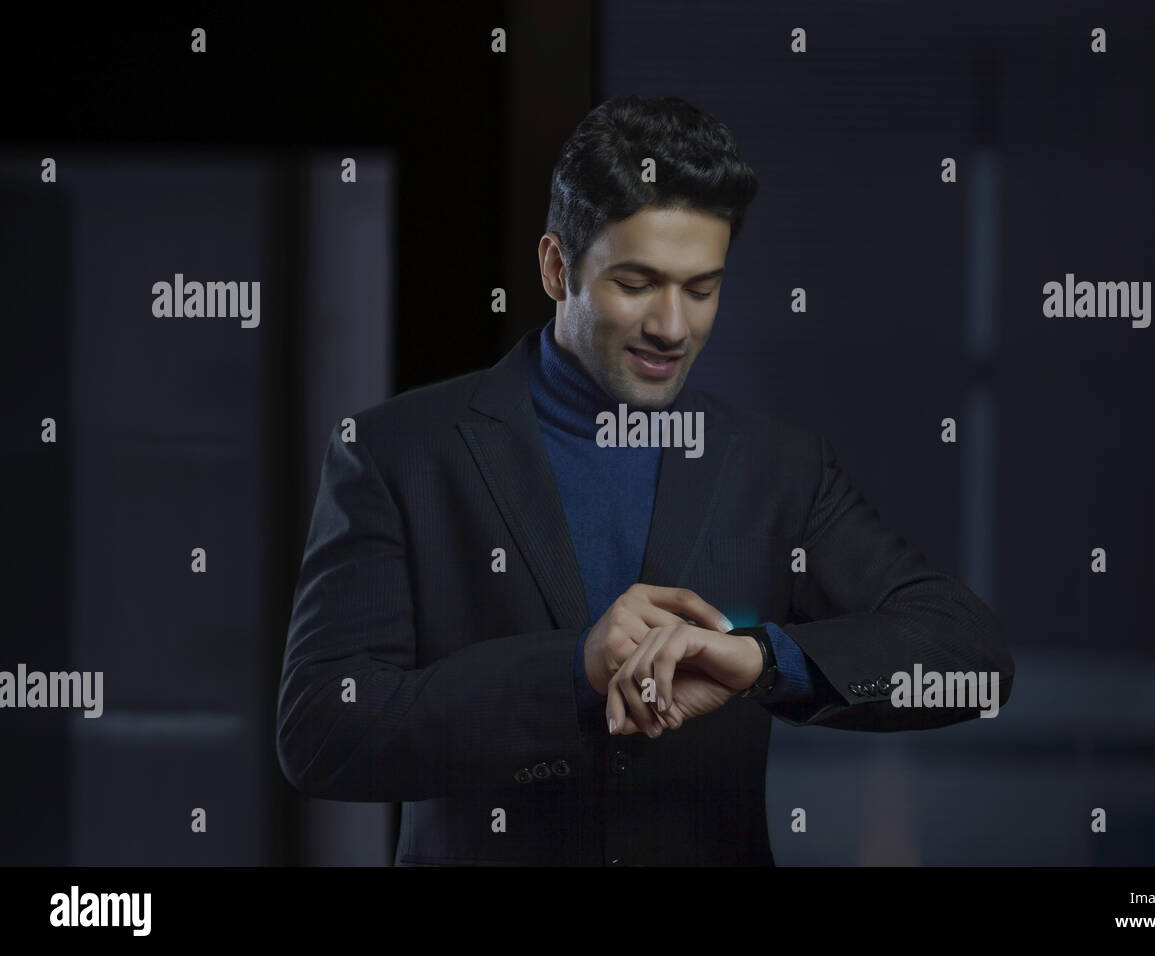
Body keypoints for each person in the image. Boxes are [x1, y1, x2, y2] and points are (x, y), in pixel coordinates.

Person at [276, 94, 1013, 866]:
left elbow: (971, 659)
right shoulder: (397, 452)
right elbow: (321, 731)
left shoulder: (775, 469)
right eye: (638, 283)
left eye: (702, 289)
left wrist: (766, 661)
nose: (673, 326)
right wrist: (572, 671)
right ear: (557, 267)